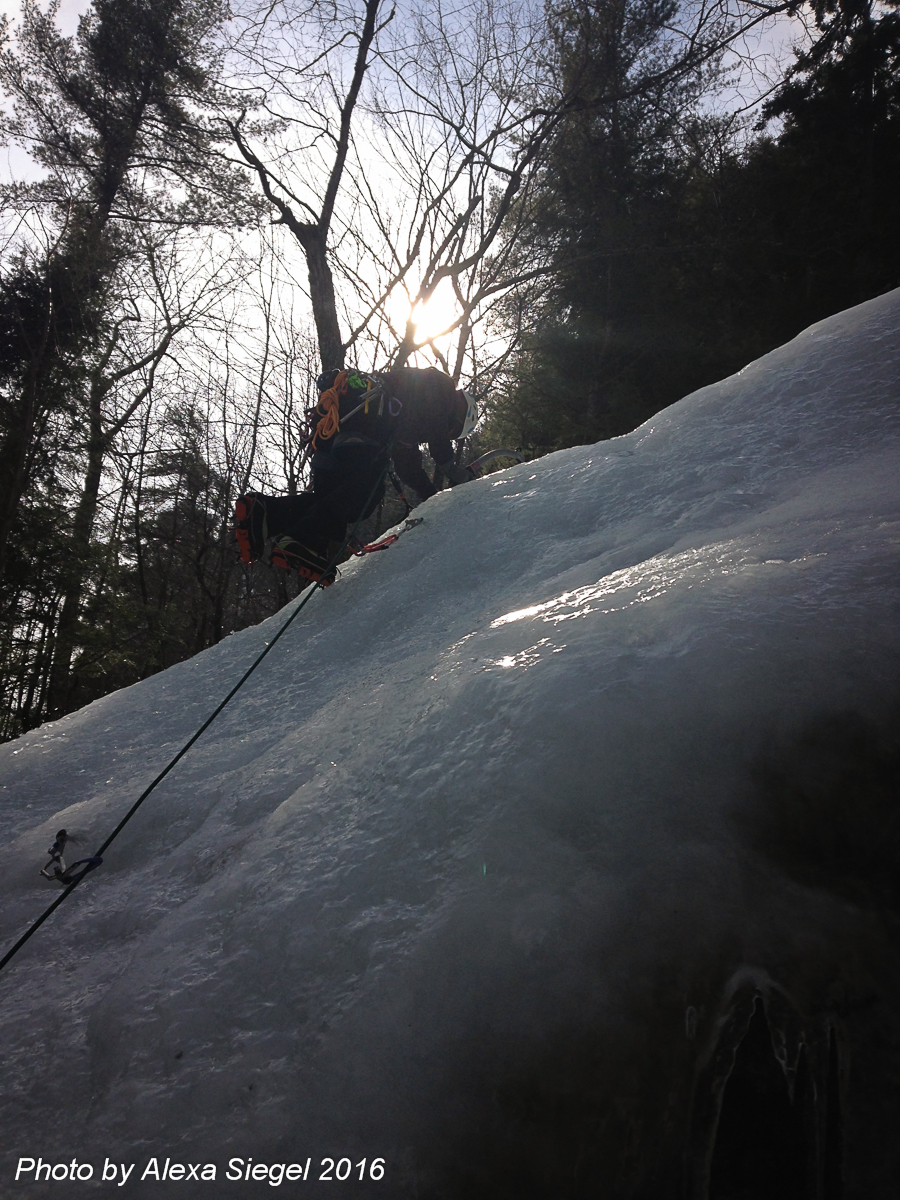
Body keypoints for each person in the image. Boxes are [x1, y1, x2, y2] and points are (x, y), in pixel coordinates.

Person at [235, 366, 478, 584]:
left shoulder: (410, 414)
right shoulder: (442, 387)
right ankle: (304, 539)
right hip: (360, 428)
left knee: (330, 497)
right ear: (459, 413)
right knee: (363, 493)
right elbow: (437, 430)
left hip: (334, 429)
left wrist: (433, 496)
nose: (447, 433)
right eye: (452, 431)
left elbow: (409, 467)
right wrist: (453, 470)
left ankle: (265, 514)